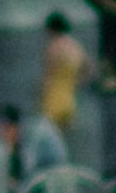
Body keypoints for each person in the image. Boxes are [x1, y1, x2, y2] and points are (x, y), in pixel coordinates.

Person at [32, 11, 93, 174]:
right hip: (69, 99)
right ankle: (61, 174)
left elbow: (47, 76)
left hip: (53, 99)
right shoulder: (75, 46)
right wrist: (74, 82)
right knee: (59, 140)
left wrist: (39, 100)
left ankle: (57, 175)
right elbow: (90, 70)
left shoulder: (53, 47)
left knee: (49, 143)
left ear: (51, 29)